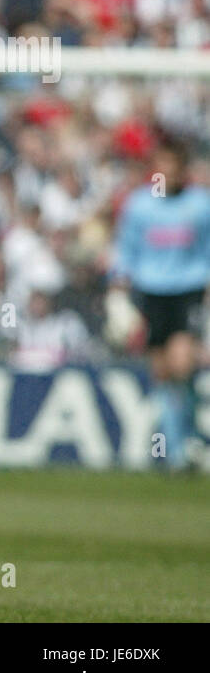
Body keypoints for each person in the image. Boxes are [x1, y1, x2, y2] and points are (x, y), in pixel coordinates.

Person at [113, 137, 210, 472]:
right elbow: (126, 250)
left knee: (183, 364)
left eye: (174, 166)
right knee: (163, 372)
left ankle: (190, 439)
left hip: (188, 289)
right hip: (151, 291)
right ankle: (178, 451)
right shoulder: (139, 205)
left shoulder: (200, 204)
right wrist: (119, 284)